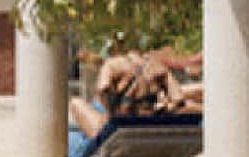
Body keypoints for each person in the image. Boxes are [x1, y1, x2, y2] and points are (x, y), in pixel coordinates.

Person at [70, 49, 201, 139]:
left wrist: (110, 113)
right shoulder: (157, 67)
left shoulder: (114, 64)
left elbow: (102, 88)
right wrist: (162, 109)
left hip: (120, 127)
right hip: (150, 121)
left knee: (76, 103)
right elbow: (178, 99)